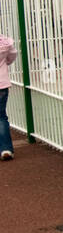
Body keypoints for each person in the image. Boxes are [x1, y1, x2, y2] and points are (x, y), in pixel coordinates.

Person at [0, 31, 16, 160]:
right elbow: (12, 56)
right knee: (1, 117)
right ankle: (5, 149)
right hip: (2, 84)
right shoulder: (4, 42)